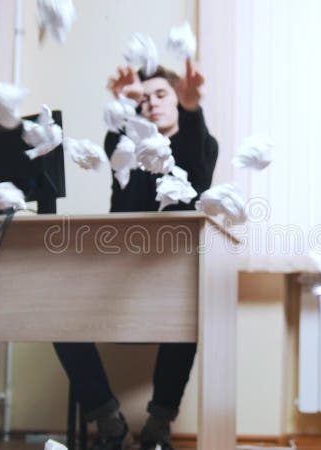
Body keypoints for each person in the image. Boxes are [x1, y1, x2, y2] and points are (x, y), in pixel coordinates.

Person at [53, 59, 218, 450]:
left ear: (178, 101)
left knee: (188, 314)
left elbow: (198, 162)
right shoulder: (128, 150)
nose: (153, 104)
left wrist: (193, 109)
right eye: (145, 99)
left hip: (170, 285)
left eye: (162, 95)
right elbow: (115, 145)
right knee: (58, 319)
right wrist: (125, 106)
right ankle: (109, 422)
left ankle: (158, 427)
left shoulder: (198, 146)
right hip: (118, 281)